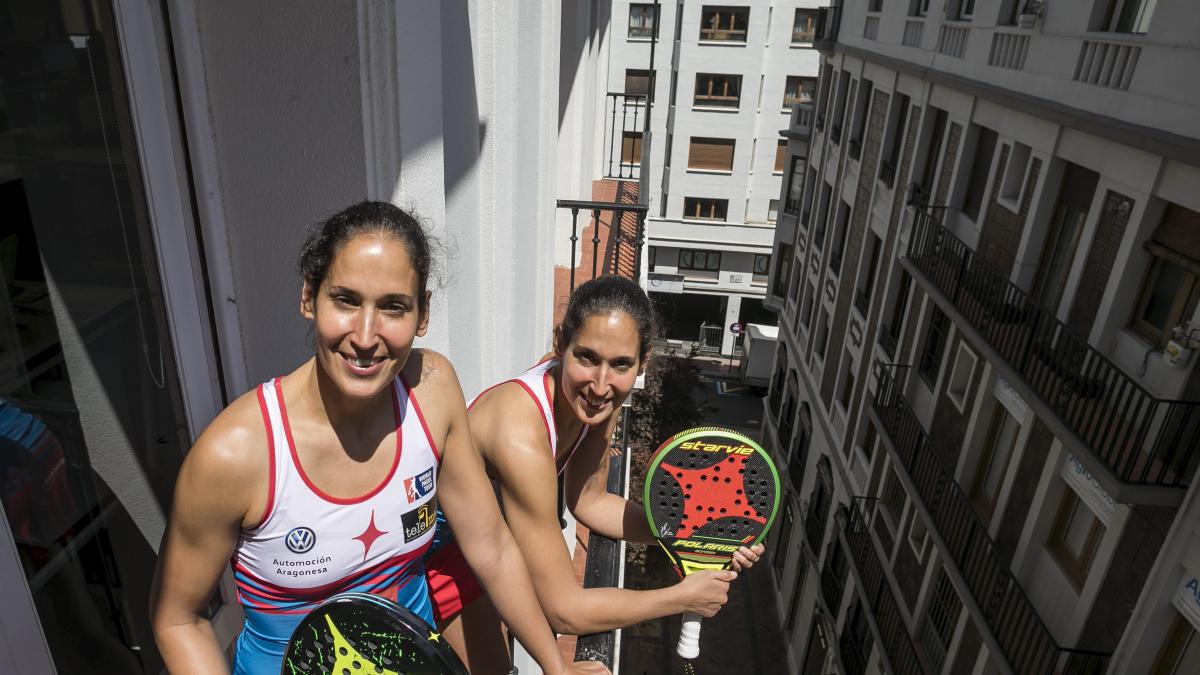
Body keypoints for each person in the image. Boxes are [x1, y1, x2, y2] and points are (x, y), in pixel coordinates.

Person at [149, 202, 606, 675]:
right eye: (345, 300)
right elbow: (178, 620)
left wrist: (555, 667)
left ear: (422, 314)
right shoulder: (236, 454)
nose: (366, 337)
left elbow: (491, 544)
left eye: (393, 307)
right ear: (309, 297)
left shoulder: (432, 390)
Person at [424, 275, 764, 672]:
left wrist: (693, 538)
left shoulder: (596, 400)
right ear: (560, 344)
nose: (601, 384)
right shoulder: (519, 435)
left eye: (621, 364)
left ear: (642, 361)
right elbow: (565, 612)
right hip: (438, 563)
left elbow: (589, 500)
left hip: (489, 553)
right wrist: (682, 598)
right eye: (587, 357)